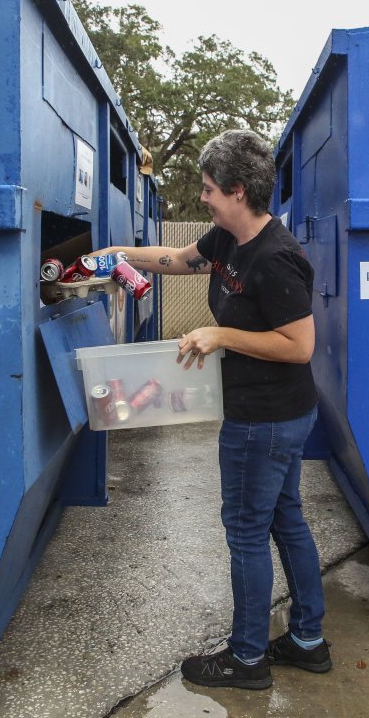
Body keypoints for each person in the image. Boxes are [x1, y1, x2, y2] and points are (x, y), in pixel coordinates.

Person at [90, 129, 329, 690]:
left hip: (265, 419)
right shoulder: (228, 238)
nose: (202, 197)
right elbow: (176, 258)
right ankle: (307, 640)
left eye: (208, 189)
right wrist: (118, 255)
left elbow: (300, 347)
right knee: (285, 518)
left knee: (247, 531)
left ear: (238, 191)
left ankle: (247, 659)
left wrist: (221, 334)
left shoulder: (277, 257)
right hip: (274, 416)